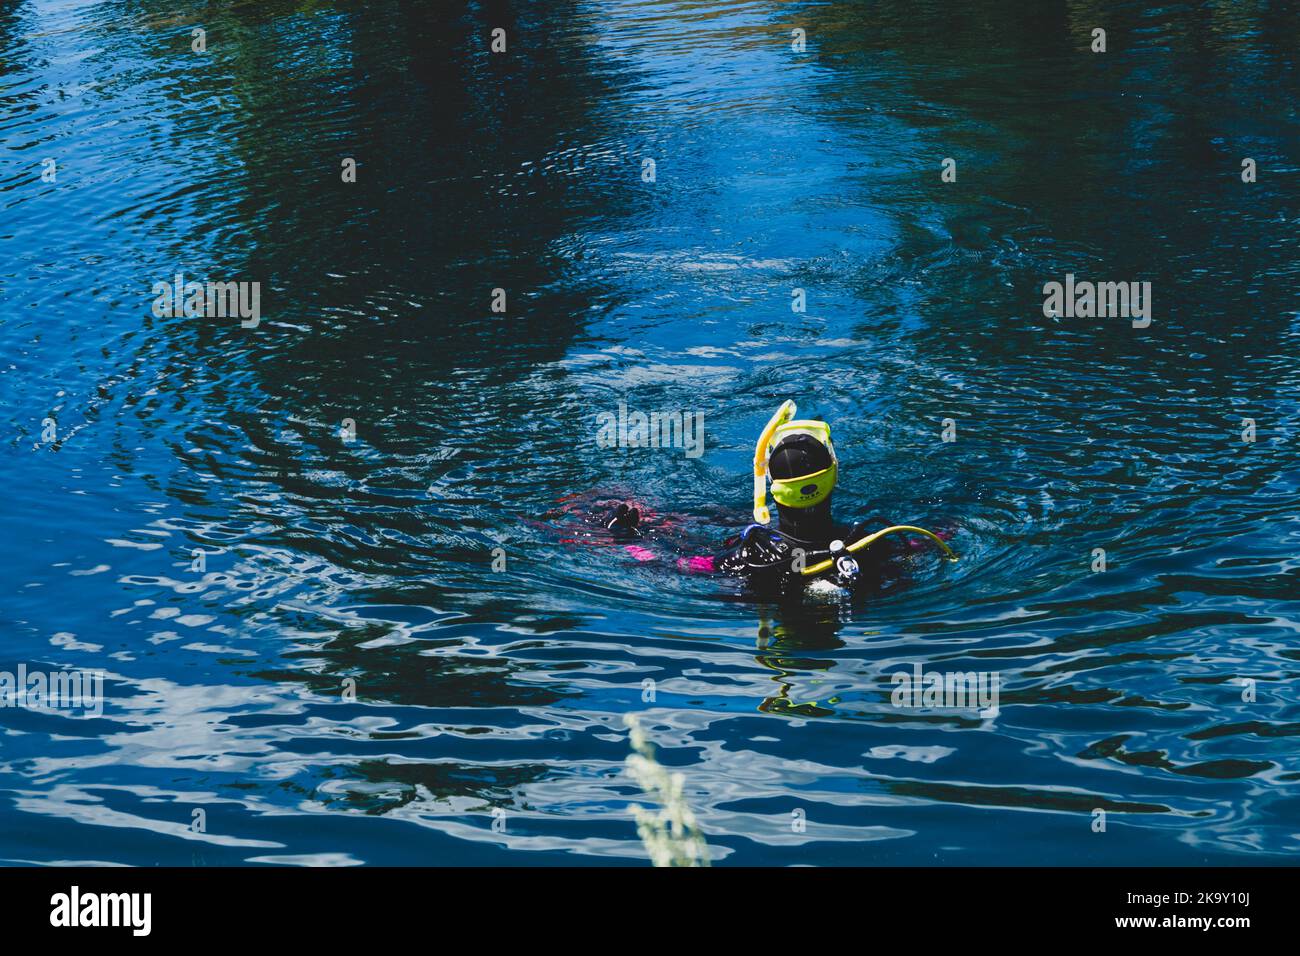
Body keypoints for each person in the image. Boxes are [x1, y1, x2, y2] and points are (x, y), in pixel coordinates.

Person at [604, 400, 955, 594]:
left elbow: (673, 564)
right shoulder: (870, 542)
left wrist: (624, 537)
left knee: (724, 523)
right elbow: (926, 544)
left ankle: (658, 518)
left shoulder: (751, 557)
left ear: (772, 486)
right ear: (835, 475)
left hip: (761, 557)